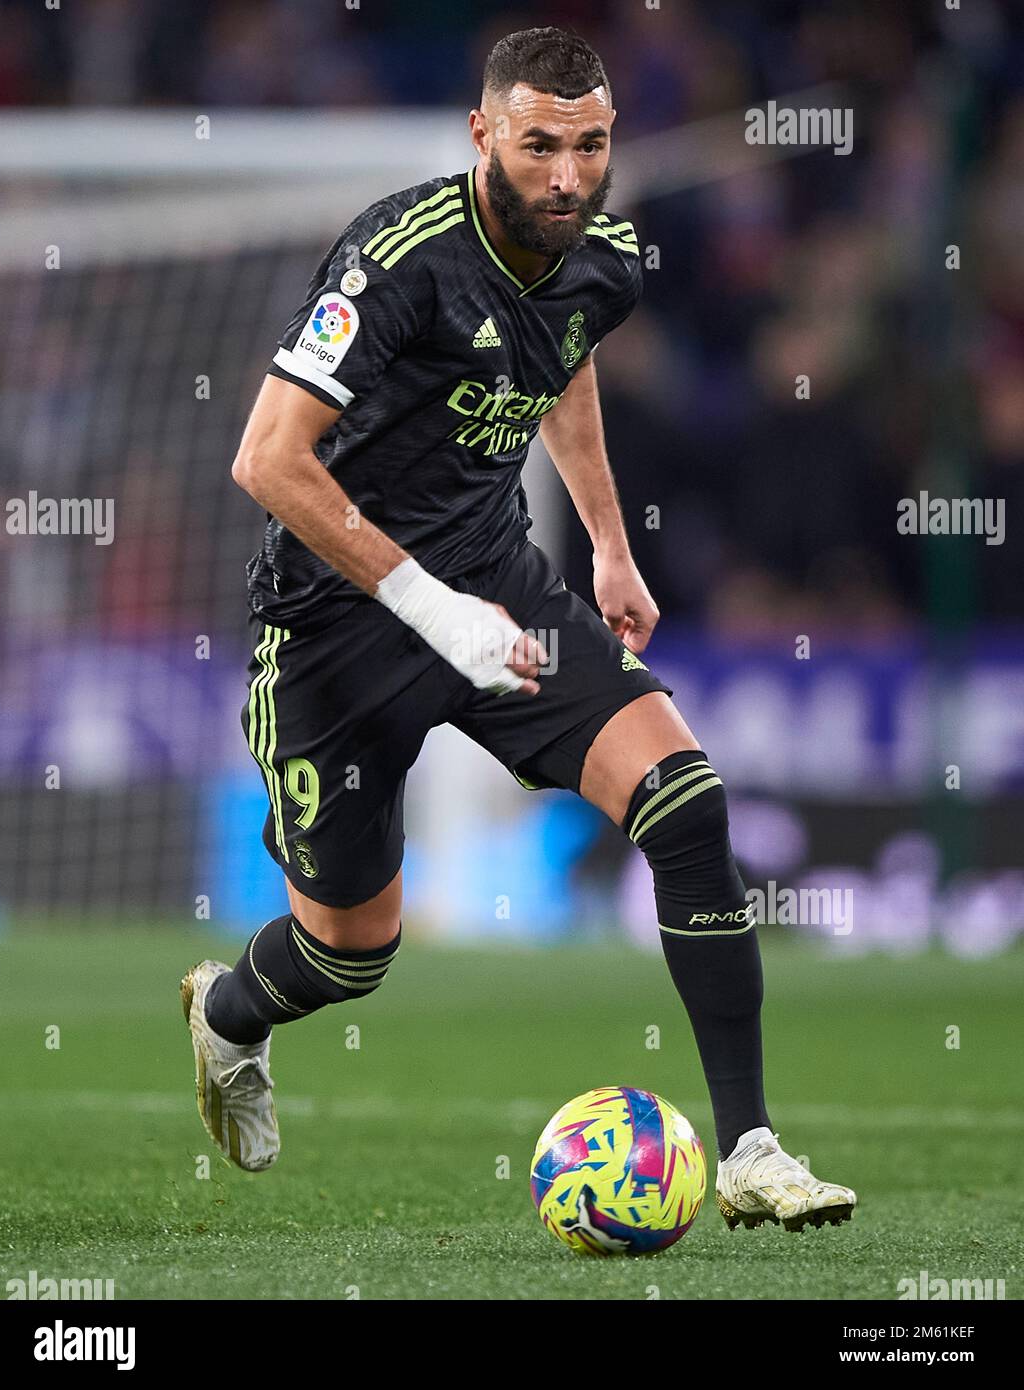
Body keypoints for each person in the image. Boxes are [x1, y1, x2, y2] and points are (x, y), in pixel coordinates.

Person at [180, 25, 855, 1234]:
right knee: (349, 951)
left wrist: (605, 542)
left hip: (502, 587)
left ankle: (750, 1147)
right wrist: (437, 615)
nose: (564, 176)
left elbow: (562, 361)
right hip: (338, 625)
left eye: (588, 146)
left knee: (685, 802)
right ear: (483, 133)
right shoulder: (396, 261)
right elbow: (265, 460)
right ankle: (228, 1016)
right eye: (538, 145)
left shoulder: (607, 255)